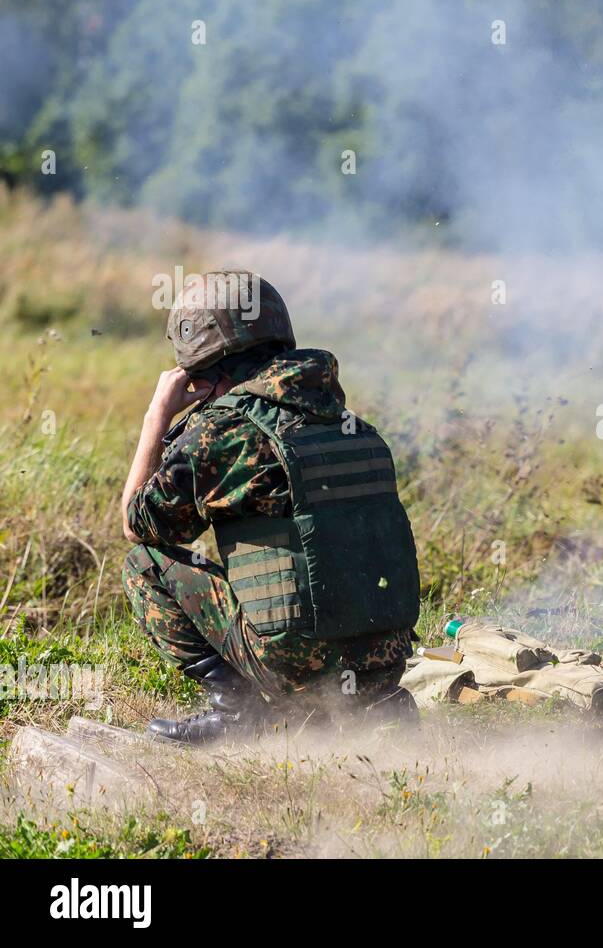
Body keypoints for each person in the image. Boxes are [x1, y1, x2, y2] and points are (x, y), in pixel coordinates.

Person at [120, 270, 421, 743]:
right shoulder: (352, 426)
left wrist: (157, 415)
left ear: (205, 369)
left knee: (144, 564)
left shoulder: (222, 432)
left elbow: (137, 524)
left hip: (300, 672)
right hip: (383, 668)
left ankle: (235, 714)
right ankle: (369, 705)